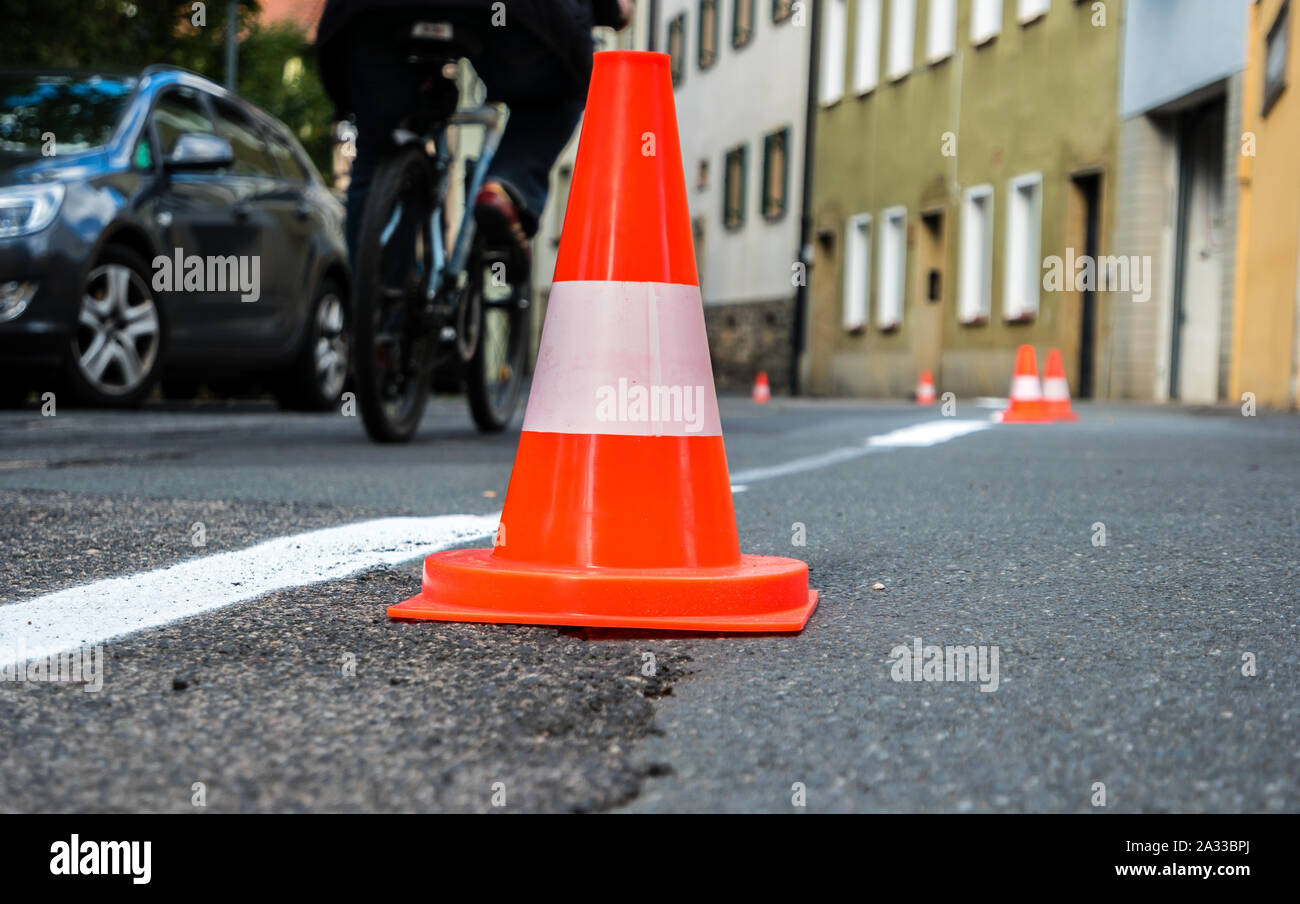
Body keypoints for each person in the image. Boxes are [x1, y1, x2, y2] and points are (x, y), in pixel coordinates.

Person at [316, 0, 633, 269]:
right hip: (503, 13)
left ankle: (374, 325)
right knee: (560, 92)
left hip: (371, 12)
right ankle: (510, 183)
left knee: (379, 145)